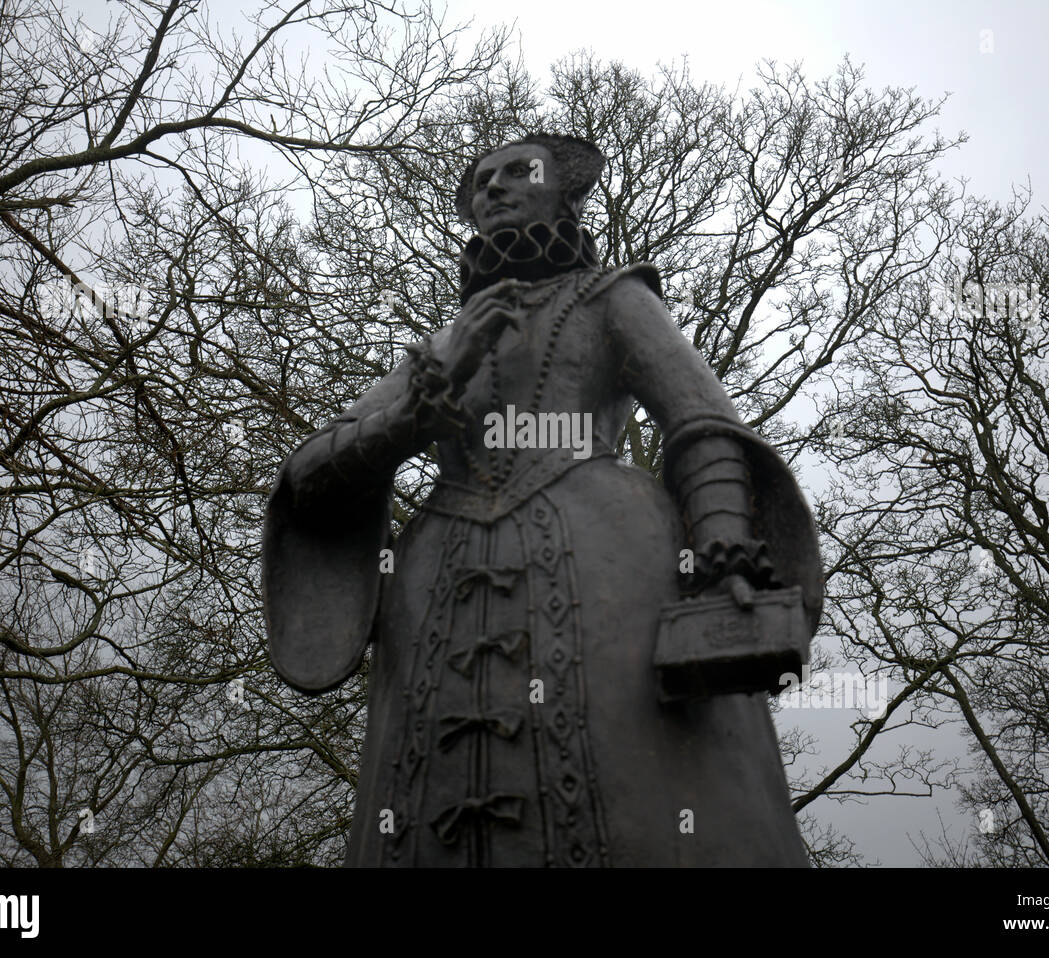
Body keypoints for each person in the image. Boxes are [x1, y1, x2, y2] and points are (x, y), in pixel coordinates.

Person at [262, 134, 822, 866]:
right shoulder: (442, 344)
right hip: (438, 577)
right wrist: (411, 417)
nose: (493, 188)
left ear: (566, 196)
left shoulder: (614, 297)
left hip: (608, 561)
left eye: (516, 172)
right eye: (480, 182)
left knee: (632, 784)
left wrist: (722, 551)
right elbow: (308, 473)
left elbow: (700, 419)